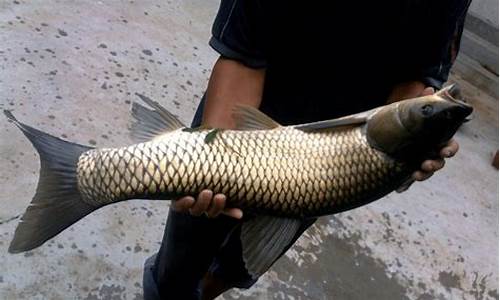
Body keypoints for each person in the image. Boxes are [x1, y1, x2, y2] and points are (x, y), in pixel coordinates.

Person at [143, 1, 472, 299]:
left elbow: (415, 76)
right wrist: (209, 165)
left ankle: (211, 290)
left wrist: (411, 143)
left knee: (242, 264)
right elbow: (244, 60)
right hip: (244, 113)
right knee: (186, 250)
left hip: (336, 160)